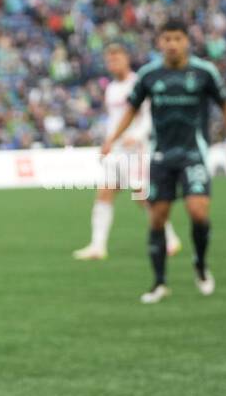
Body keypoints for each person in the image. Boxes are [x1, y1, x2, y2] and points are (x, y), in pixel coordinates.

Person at [101, 18, 226, 303]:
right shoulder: (149, 75)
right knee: (157, 218)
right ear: (160, 42)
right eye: (167, 39)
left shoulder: (204, 72)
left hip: (193, 153)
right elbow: (132, 109)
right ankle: (159, 283)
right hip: (161, 156)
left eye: (177, 38)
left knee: (199, 212)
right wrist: (112, 138)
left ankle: (201, 265)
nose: (172, 44)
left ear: (186, 41)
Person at [73, 43, 181, 260]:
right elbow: (114, 121)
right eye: (109, 59)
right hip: (118, 150)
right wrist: (108, 142)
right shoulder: (111, 88)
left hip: (137, 150)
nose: (112, 63)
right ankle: (97, 246)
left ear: (127, 59)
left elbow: (151, 114)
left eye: (116, 58)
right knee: (105, 193)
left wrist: (139, 135)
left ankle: (170, 238)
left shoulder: (138, 83)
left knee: (142, 196)